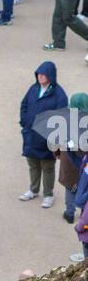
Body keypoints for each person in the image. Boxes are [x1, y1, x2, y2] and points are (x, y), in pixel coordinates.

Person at [19, 62, 68, 206]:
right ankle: (33, 190)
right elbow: (24, 105)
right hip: (30, 135)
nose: (40, 76)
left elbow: (62, 116)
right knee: (33, 164)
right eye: (38, 73)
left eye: (43, 74)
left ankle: (48, 195)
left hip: (47, 139)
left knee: (47, 167)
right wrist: (25, 122)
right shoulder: (33, 89)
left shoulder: (60, 94)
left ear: (50, 76)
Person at [55, 92, 88, 225]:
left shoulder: (66, 121)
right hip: (84, 165)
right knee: (84, 189)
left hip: (69, 162)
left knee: (70, 187)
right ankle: (83, 215)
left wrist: (57, 153)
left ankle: (69, 213)